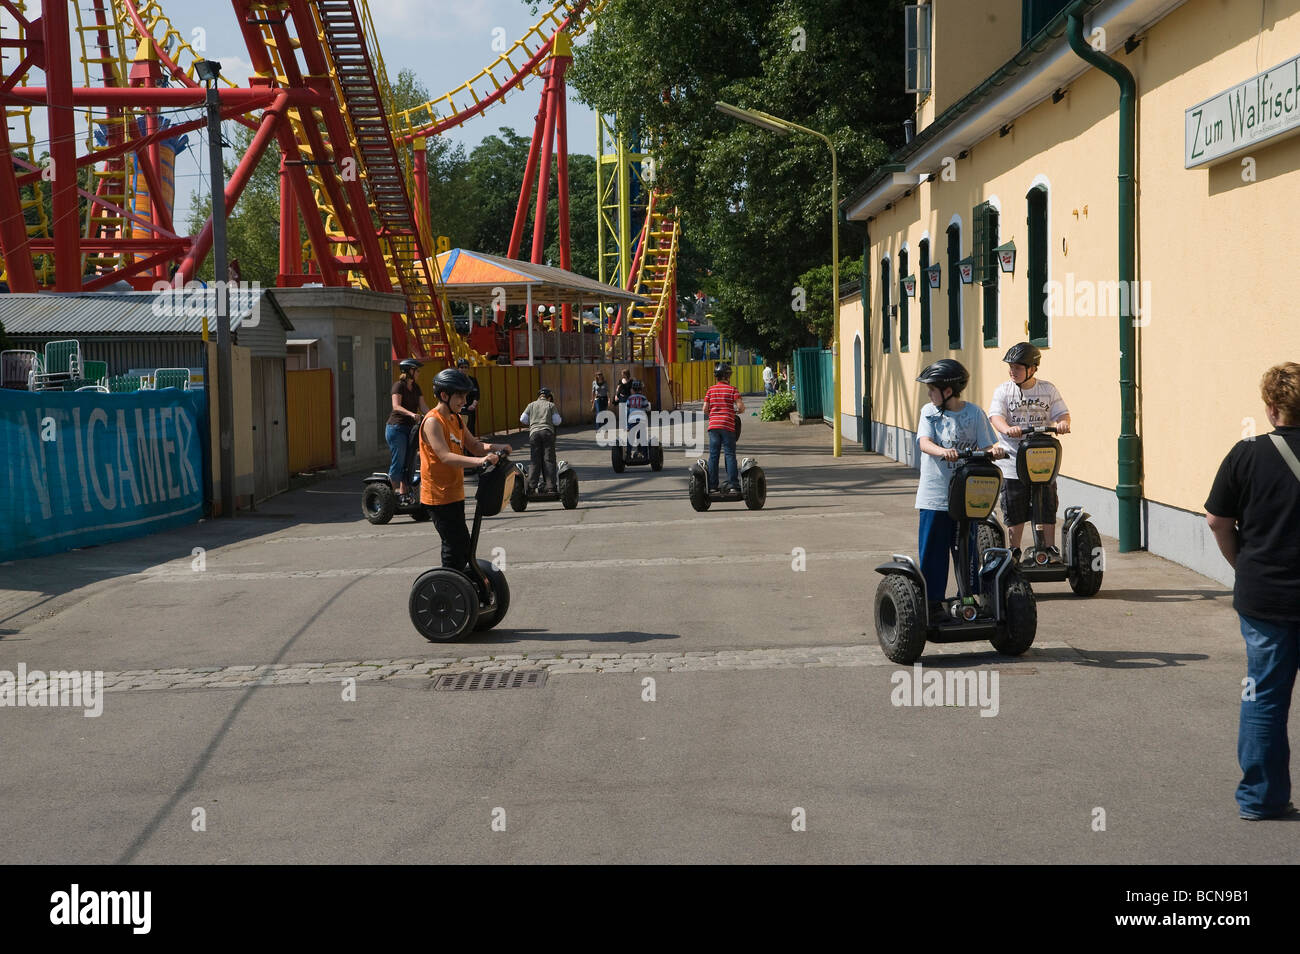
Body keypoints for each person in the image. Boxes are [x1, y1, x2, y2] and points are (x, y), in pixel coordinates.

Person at [1205, 362, 1300, 821]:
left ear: (1271, 408)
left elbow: (1217, 521)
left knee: (1263, 698)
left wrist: (1242, 566)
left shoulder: (1246, 453)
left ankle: (1261, 798)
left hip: (1266, 596)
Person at [914, 359, 1005, 615]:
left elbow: (987, 444)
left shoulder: (974, 413)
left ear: (948, 390)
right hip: (934, 496)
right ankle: (933, 603)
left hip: (966, 497)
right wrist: (944, 452)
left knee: (966, 547)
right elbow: (924, 443)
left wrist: (994, 450)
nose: (929, 394)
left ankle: (967, 598)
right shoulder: (928, 412)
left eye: (932, 389)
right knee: (933, 551)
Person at [420, 369, 511, 571]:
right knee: (454, 547)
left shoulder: (456, 419)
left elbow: (476, 446)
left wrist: (498, 448)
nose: (464, 400)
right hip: (438, 496)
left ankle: (459, 586)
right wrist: (480, 462)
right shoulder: (433, 421)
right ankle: (448, 590)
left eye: (466, 395)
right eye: (460, 395)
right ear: (444, 395)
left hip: (455, 493)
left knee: (463, 546)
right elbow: (444, 456)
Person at [987, 342, 1071, 555]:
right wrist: (1007, 429)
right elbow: (995, 416)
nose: (1011, 371)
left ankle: (1049, 549)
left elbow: (1062, 413)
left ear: (1032, 369)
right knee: (1014, 507)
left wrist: (1062, 423)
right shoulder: (1004, 391)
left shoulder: (1047, 389)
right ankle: (1014, 550)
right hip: (1012, 461)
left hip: (1042, 460)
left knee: (1047, 504)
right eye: (1011, 367)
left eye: (1017, 367)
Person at [386, 358, 428, 501]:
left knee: (409, 461)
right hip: (396, 428)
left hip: (411, 428)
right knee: (399, 461)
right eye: (417, 370)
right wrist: (411, 414)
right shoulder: (398, 386)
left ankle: (403, 495)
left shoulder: (416, 387)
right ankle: (389, 497)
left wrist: (435, 416)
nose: (419, 373)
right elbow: (396, 406)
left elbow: (423, 407)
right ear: (409, 371)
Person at [703, 362, 745, 493]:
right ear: (727, 376)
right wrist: (738, 411)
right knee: (729, 454)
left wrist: (713, 414)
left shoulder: (710, 390)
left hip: (713, 426)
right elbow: (740, 407)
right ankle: (733, 485)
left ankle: (712, 486)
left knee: (713, 455)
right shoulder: (732, 389)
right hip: (727, 425)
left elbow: (705, 408)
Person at [519, 386, 562, 494]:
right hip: (547, 433)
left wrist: (533, 421)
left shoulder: (531, 405)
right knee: (549, 460)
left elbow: (523, 419)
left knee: (534, 460)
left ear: (539, 396)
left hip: (534, 434)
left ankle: (531, 487)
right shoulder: (550, 405)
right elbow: (557, 421)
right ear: (549, 397)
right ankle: (551, 487)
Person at [456, 358, 481, 436]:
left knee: (470, 430)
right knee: (459, 430)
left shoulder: (473, 380)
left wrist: (473, 405)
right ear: (458, 369)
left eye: (465, 367)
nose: (464, 369)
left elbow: (477, 394)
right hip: (459, 409)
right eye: (461, 367)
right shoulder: (455, 381)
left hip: (470, 409)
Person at [625, 379, 651, 448]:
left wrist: (627, 425)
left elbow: (627, 410)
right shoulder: (643, 398)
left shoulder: (629, 398)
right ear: (641, 389)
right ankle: (643, 453)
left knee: (631, 437)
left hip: (631, 419)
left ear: (632, 389)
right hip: (641, 420)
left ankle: (628, 454)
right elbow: (648, 409)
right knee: (642, 437)